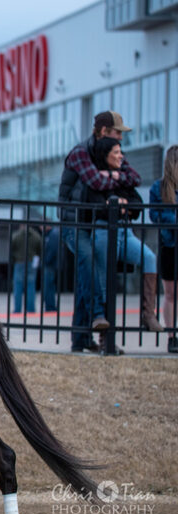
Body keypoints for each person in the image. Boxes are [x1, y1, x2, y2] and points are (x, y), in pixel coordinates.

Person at [58, 110, 141, 352]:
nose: (121, 139)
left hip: (90, 223)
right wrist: (116, 175)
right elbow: (96, 181)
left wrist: (112, 173)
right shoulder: (81, 153)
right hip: (74, 222)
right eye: (117, 133)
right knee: (88, 260)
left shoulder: (108, 152)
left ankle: (80, 339)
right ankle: (97, 316)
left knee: (86, 273)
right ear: (104, 131)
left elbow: (135, 177)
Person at [87, 136, 162, 333]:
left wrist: (122, 205)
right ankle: (104, 331)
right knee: (104, 279)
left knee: (149, 258)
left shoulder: (123, 178)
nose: (121, 156)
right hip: (103, 231)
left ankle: (148, 314)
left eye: (121, 152)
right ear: (106, 155)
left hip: (125, 232)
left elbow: (137, 205)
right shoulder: (95, 179)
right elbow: (96, 207)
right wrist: (116, 206)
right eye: (116, 152)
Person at [149, 145, 178, 352]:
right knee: (170, 293)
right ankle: (172, 336)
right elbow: (154, 214)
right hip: (169, 244)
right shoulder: (158, 188)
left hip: (170, 242)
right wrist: (174, 219)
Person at [10, 224, 42, 313]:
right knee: (31, 286)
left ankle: (17, 309)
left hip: (19, 262)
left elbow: (11, 249)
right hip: (31, 262)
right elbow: (40, 250)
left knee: (18, 286)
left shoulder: (16, 235)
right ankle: (30, 309)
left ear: (21, 225)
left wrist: (14, 259)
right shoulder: (36, 236)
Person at [42, 225, 60, 312]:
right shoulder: (50, 234)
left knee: (48, 286)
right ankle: (50, 306)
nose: (41, 228)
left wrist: (46, 261)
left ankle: (50, 306)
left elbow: (52, 249)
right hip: (50, 264)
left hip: (50, 264)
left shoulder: (53, 234)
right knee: (49, 286)